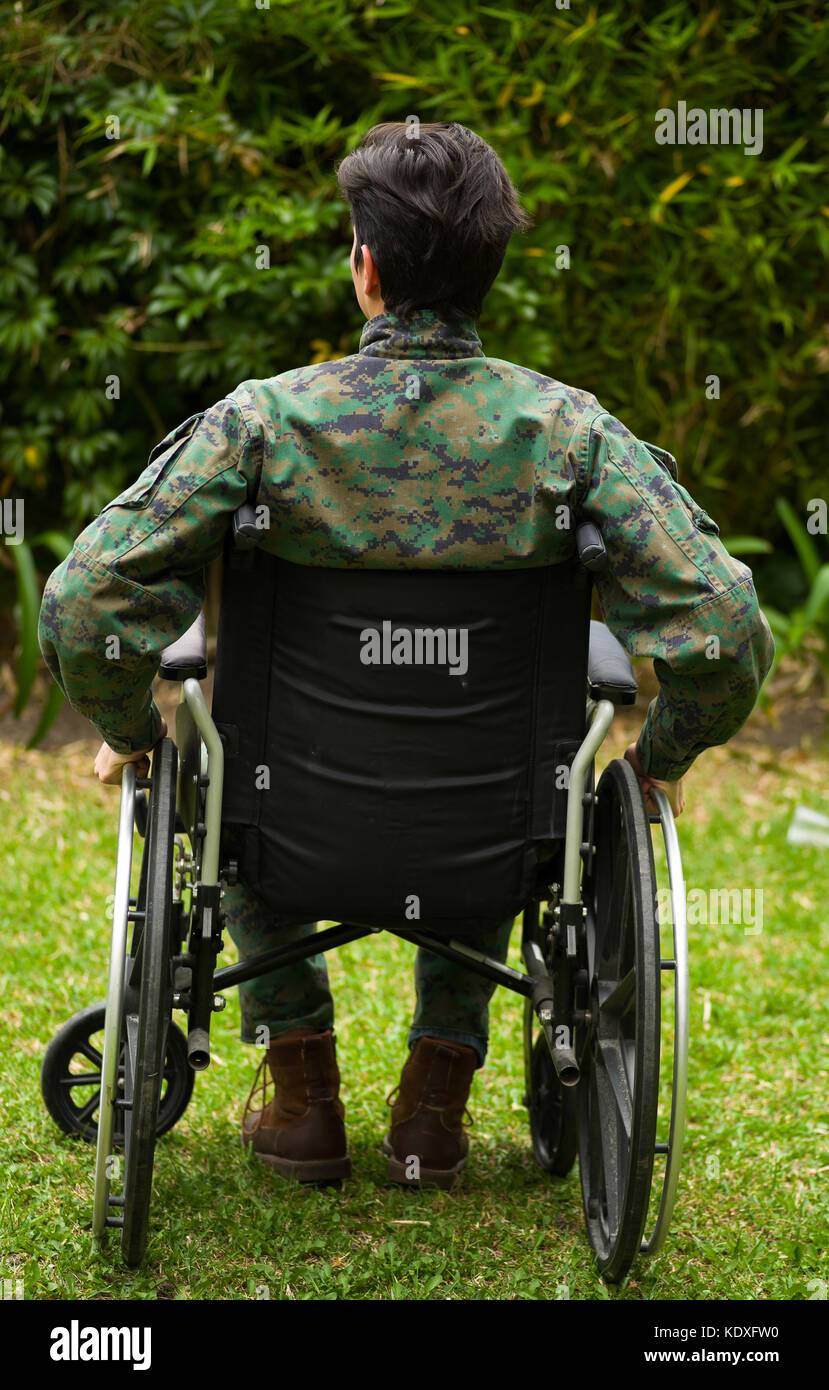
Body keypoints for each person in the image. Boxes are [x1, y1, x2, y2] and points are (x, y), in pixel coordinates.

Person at [38, 121, 774, 1191]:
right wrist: (660, 755)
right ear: (489, 266)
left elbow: (80, 603)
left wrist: (132, 732)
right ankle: (433, 1106)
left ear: (365, 267)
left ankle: (301, 1100)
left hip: (283, 822)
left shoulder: (262, 425)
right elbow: (724, 626)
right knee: (505, 777)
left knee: (231, 768)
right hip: (494, 831)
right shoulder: (567, 434)